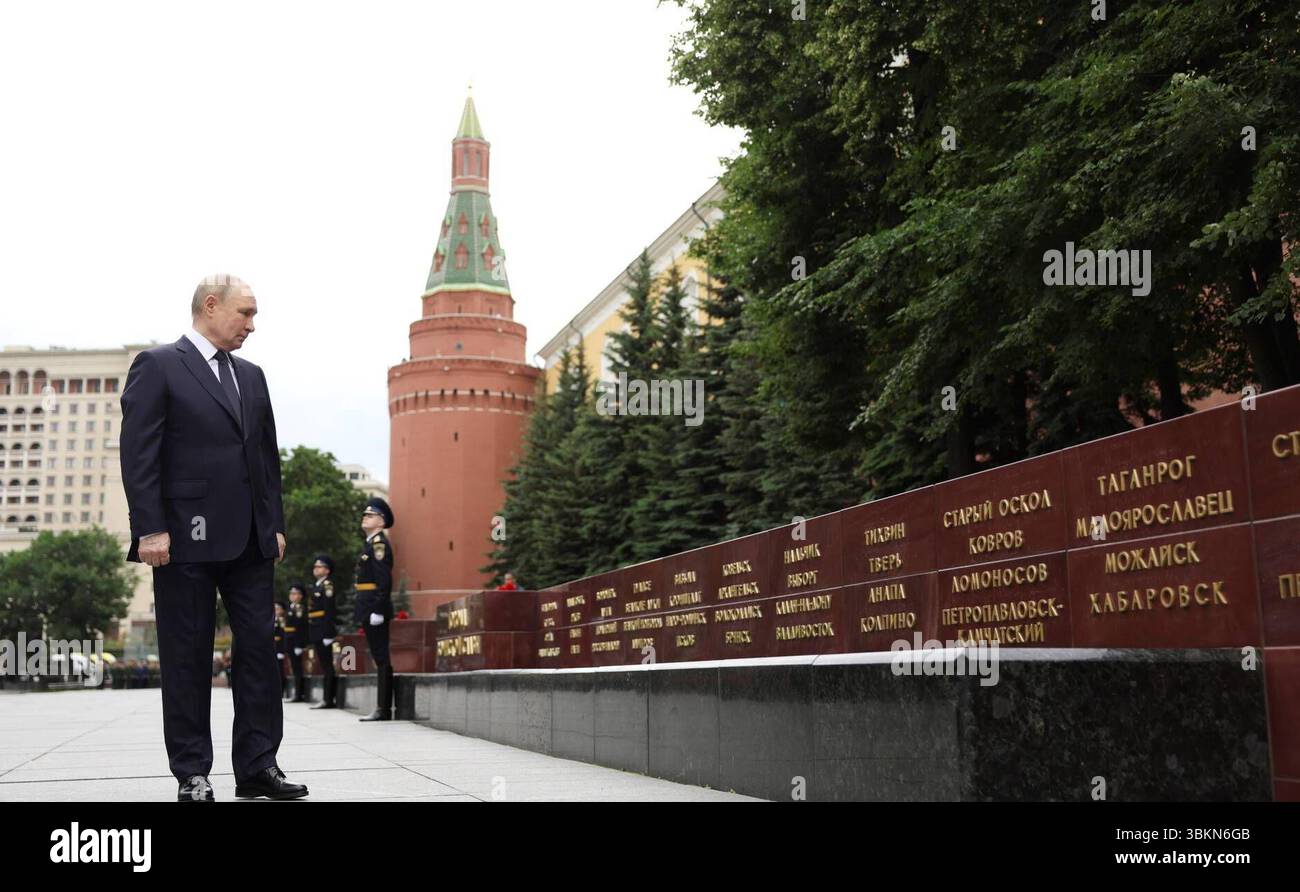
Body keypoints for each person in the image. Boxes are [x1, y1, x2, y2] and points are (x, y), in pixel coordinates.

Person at [119, 273, 307, 802]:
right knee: (188, 655)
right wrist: (150, 528)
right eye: (245, 313)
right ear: (210, 306)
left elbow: (265, 457)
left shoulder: (252, 376)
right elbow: (139, 455)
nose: (252, 324)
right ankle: (192, 773)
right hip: (182, 541)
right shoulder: (157, 366)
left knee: (257, 650)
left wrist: (274, 524)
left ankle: (257, 766)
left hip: (250, 541)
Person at [353, 497, 395, 721]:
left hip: (373, 609)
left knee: (381, 656)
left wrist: (378, 609)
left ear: (381, 521)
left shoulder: (379, 544)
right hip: (368, 607)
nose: (365, 518)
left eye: (370, 515)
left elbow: (383, 581)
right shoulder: (370, 544)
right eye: (365, 514)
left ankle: (383, 708)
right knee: (378, 656)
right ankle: (382, 707)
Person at [309, 554, 339, 710]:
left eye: (319, 566)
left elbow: (329, 611)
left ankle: (328, 699)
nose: (316, 569)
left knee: (328, 666)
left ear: (327, 570)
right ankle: (326, 698)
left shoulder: (327, 585)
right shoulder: (317, 586)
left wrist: (328, 633)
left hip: (323, 631)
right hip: (316, 630)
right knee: (324, 665)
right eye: (315, 566)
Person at [285, 583, 310, 702]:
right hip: (289, 640)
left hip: (296, 641)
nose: (292, 595)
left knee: (298, 668)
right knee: (294, 668)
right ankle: (297, 693)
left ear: (301, 596)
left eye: (295, 593)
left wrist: (299, 644)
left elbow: (301, 627)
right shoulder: (291, 607)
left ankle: (299, 694)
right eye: (291, 593)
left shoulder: (299, 608)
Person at [273, 600, 289, 700]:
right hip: (272, 649)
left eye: (278, 609)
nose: (276, 611)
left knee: (280, 672)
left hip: (279, 649)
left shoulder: (283, 620)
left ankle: (281, 692)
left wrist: (281, 650)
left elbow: (283, 636)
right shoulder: (272, 620)